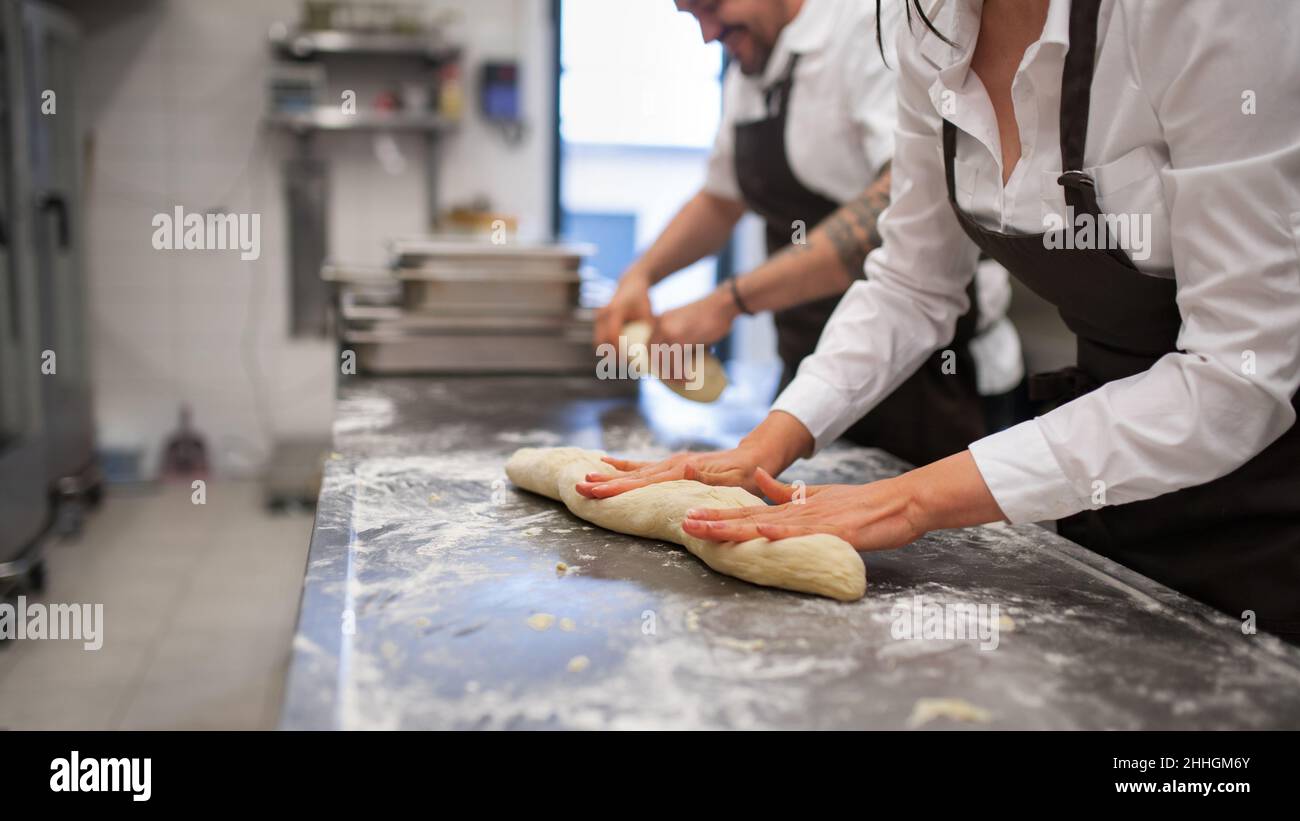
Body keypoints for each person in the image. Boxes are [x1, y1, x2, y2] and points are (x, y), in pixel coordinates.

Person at [580, 0, 1300, 642]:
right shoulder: (923, 23)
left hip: (1268, 499)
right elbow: (912, 281)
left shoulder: (1204, 14)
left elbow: (1234, 379)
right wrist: (764, 444)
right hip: (1106, 477)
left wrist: (908, 499)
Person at [594, 0, 1023, 466]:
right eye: (692, 16)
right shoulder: (752, 58)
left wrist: (728, 302)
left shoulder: (869, 30)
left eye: (712, 8)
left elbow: (894, 206)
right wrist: (640, 276)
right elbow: (720, 200)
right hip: (810, 380)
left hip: (931, 384)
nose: (707, 34)